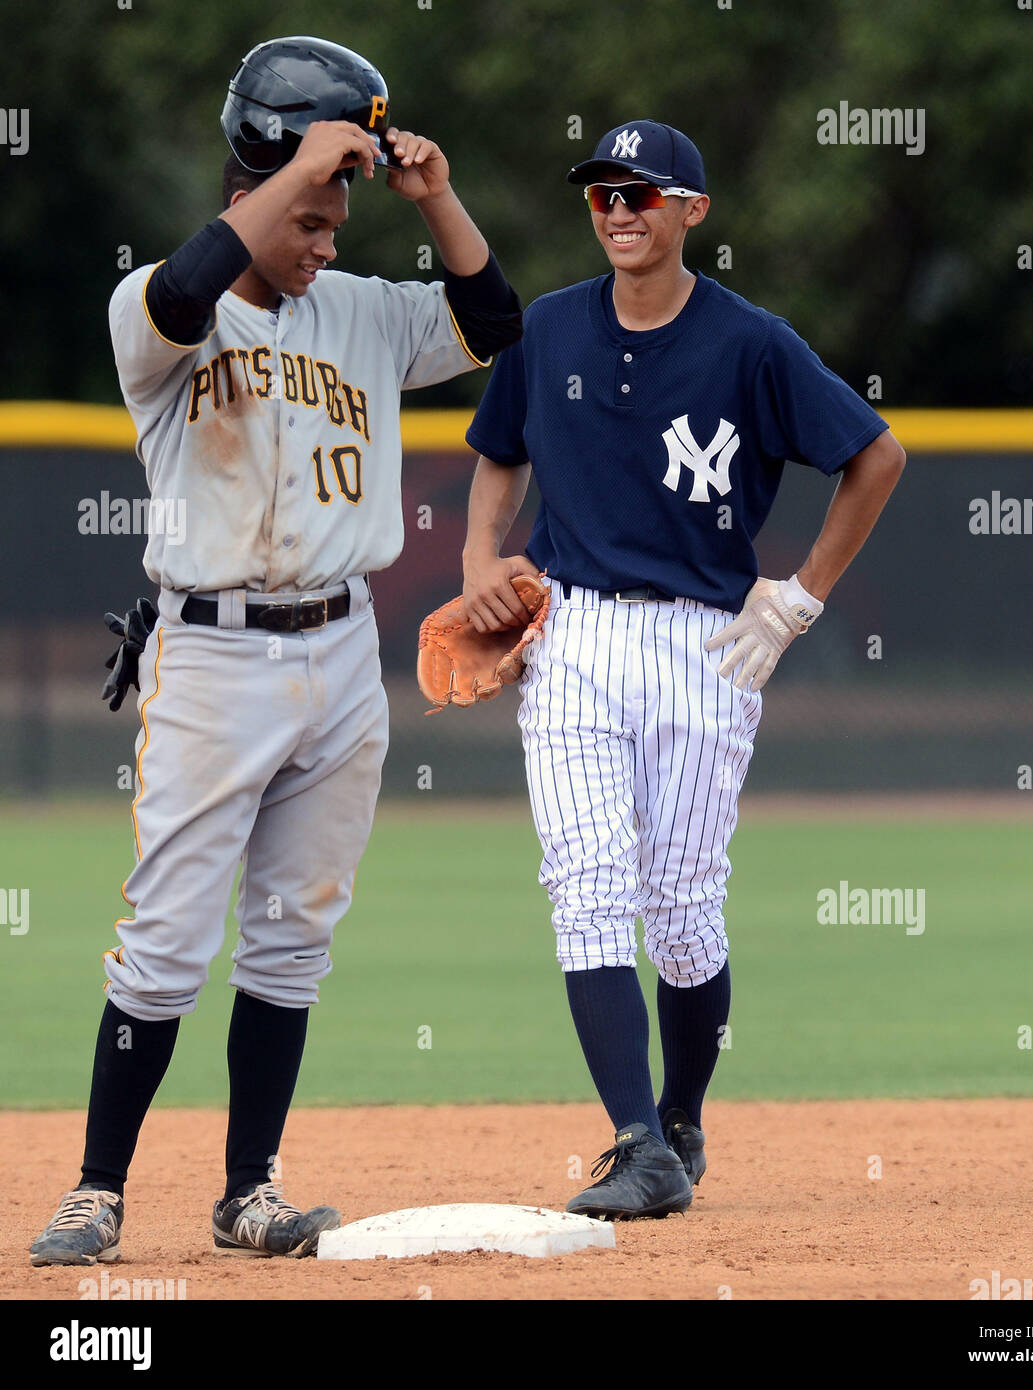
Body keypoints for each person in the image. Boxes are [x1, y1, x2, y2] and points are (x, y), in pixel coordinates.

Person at [29, 37, 521, 1265]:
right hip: (213, 658)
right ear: (259, 179)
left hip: (342, 653)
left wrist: (435, 196)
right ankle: (97, 1190)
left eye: (340, 210)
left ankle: (249, 1190)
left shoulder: (362, 312)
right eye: (313, 211)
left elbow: (492, 321)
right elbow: (186, 296)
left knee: (295, 934)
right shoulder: (156, 307)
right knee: (166, 938)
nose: (330, 235)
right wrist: (296, 171)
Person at [460, 120, 904, 1220]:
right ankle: (636, 1142)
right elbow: (499, 450)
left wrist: (800, 597)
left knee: (682, 906)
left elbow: (875, 455)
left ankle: (680, 1118)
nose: (618, 210)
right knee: (586, 886)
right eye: (602, 193)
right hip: (573, 634)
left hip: (705, 643)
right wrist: (477, 560)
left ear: (692, 212)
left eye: (641, 194)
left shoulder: (751, 343)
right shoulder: (547, 326)